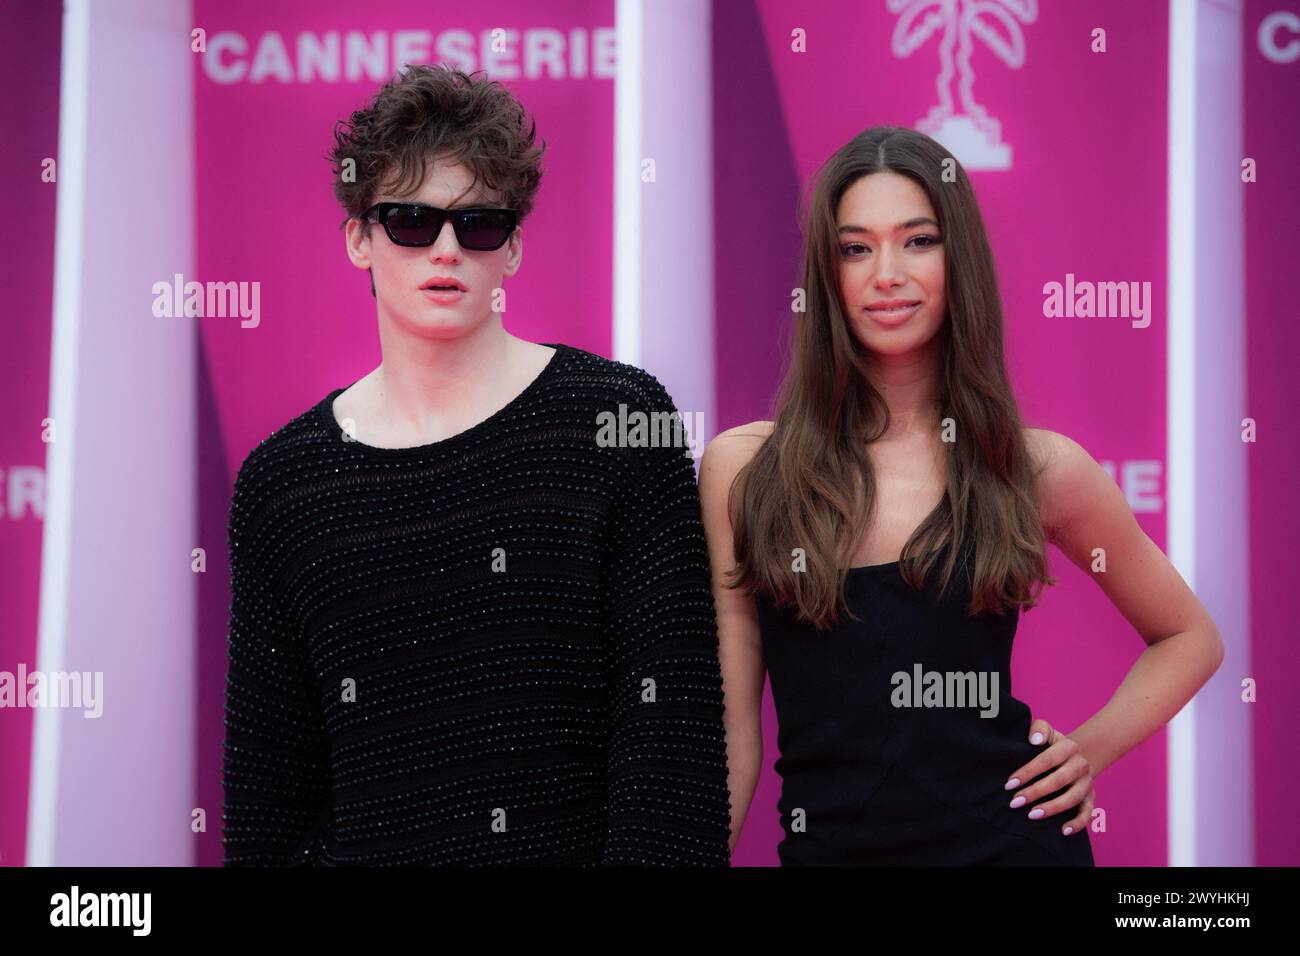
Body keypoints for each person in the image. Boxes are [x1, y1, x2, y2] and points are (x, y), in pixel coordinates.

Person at [222, 64, 731, 866]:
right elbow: (270, 797)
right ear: (359, 237)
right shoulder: (284, 487)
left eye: (481, 224)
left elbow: (671, 746)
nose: (448, 250)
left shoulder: (617, 422)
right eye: (411, 222)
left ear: (515, 247)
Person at [700, 125, 1224, 866]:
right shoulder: (743, 468)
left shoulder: (1032, 466)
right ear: (826, 274)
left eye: (918, 240)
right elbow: (732, 729)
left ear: (959, 260)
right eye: (856, 248)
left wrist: (1087, 751)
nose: (887, 272)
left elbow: (1190, 637)